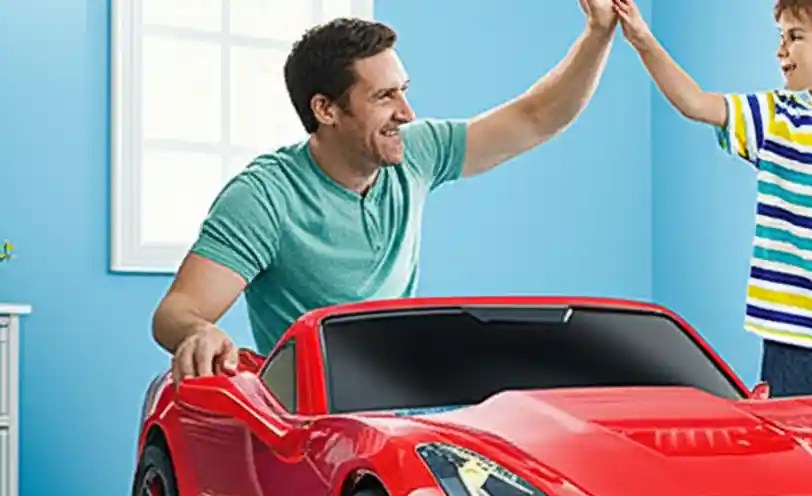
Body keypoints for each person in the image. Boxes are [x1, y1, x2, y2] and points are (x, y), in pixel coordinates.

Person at [153, 2, 619, 381]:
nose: (407, 112)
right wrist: (199, 331)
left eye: (403, 90)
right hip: (310, 414)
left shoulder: (414, 153)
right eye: (384, 97)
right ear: (327, 109)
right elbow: (177, 309)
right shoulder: (266, 197)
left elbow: (536, 118)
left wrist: (598, 34)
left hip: (398, 390)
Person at [612, 0, 812, 396]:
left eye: (795, 37)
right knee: (789, 445)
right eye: (781, 36)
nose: (781, 50)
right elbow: (694, 102)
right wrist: (643, 40)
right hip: (789, 333)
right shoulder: (773, 116)